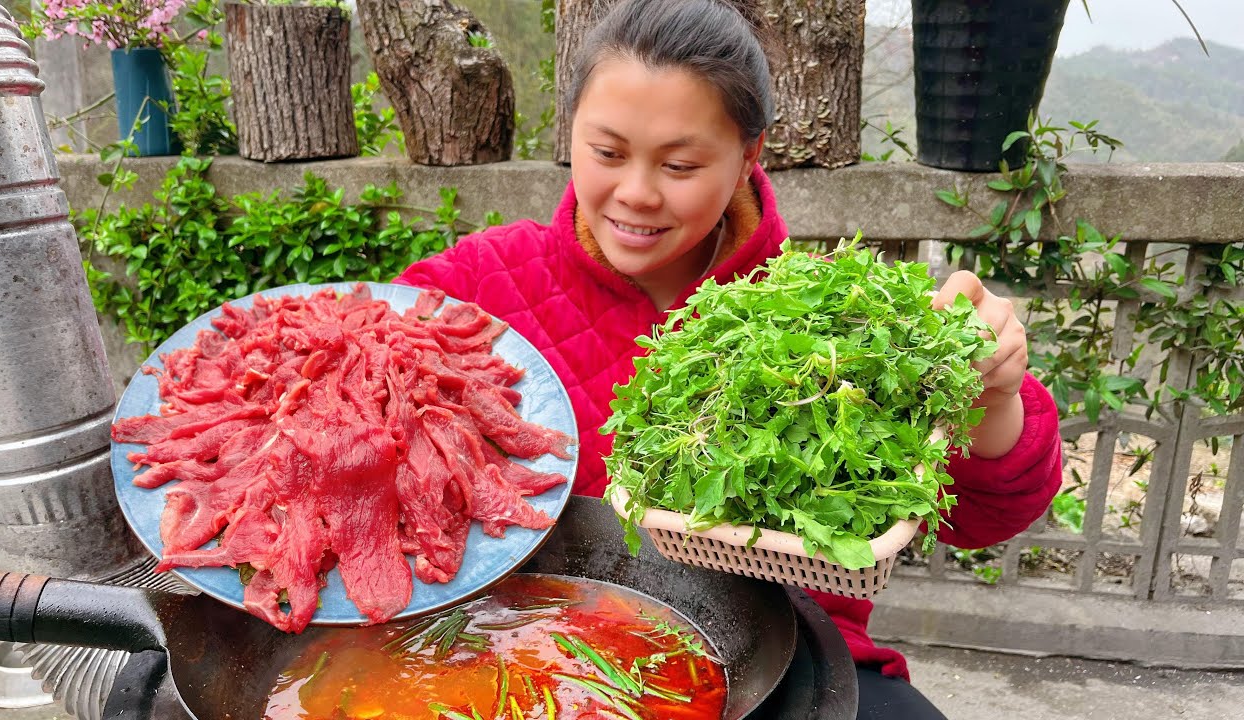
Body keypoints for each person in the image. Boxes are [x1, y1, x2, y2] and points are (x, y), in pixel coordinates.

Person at [397, 0, 1063, 717]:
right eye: (607, 152)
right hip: (523, 645)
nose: (636, 194)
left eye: (680, 164)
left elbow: (983, 517)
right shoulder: (478, 285)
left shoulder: (826, 319)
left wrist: (993, 393)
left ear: (751, 156)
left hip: (784, 657)